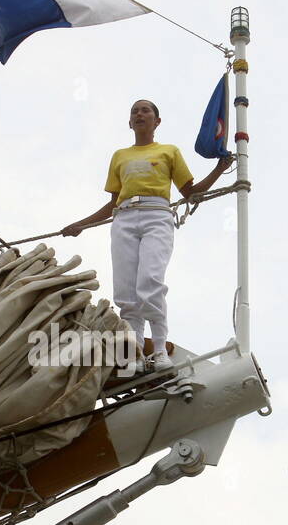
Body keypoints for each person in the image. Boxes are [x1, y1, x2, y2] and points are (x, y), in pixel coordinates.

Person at [62, 99, 232, 375]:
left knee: (150, 282)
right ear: (130, 123)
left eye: (146, 110)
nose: (139, 114)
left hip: (157, 215)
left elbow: (190, 192)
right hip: (124, 219)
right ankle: (136, 353)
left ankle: (161, 350)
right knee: (127, 292)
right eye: (134, 111)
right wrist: (80, 224)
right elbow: (113, 203)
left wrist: (219, 170)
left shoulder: (169, 152)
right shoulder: (119, 156)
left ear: (157, 121)